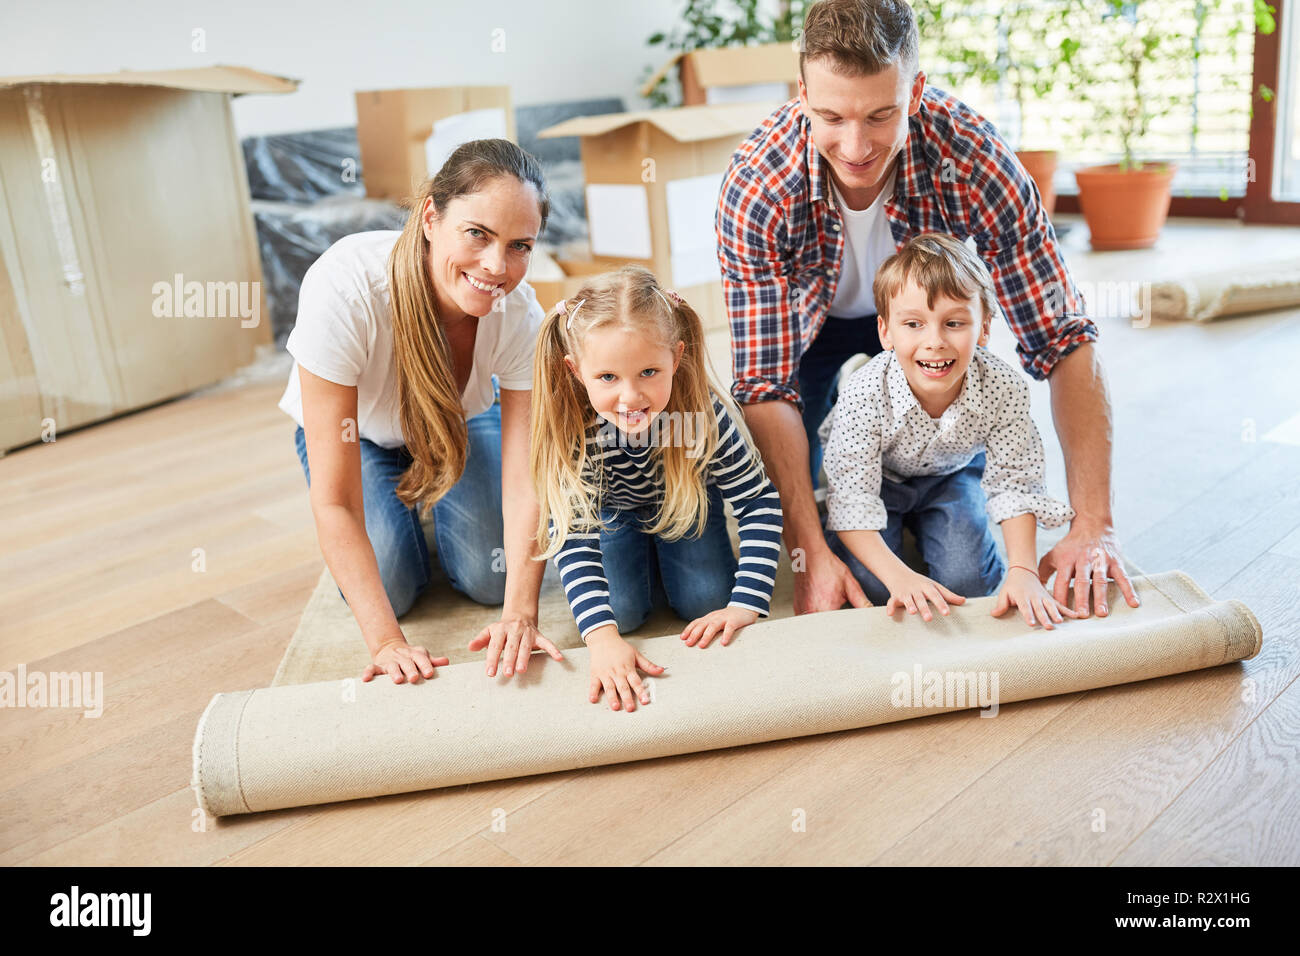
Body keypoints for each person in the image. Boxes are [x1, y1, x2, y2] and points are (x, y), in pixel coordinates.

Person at [716, 0, 1140, 619]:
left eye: (881, 114)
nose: (856, 147)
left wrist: (1093, 524)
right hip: (807, 331)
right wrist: (809, 550)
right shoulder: (758, 184)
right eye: (831, 116)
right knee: (829, 508)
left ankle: (943, 486)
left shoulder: (972, 158)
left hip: (924, 325)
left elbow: (1063, 334)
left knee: (967, 564)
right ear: (801, 91)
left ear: (915, 91)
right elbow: (764, 381)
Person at [277, 139, 563, 686]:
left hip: (459, 422)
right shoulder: (347, 286)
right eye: (477, 234)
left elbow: (529, 478)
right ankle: (410, 503)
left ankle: (433, 495)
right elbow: (334, 502)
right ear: (431, 215)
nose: (496, 266)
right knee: (393, 587)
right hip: (358, 433)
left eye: (520, 245)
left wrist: (519, 614)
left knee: (489, 575)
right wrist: (385, 641)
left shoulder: (521, 315)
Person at [530, 266, 783, 713]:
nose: (631, 398)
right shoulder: (574, 429)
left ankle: (661, 557)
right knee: (621, 613)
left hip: (682, 505)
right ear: (576, 370)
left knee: (707, 600)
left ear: (676, 357)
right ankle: (638, 559)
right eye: (607, 378)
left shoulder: (702, 418)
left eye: (649, 371)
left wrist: (748, 605)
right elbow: (572, 535)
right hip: (611, 515)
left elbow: (757, 501)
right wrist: (601, 638)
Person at [821, 233, 1080, 630]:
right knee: (876, 587)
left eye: (954, 323)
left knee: (969, 583)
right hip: (879, 481)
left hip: (952, 473)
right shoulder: (864, 392)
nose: (935, 342)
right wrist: (899, 578)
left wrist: (1024, 569)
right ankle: (901, 536)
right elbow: (853, 501)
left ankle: (934, 527)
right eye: (913, 324)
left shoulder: (1004, 387)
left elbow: (1016, 482)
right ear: (886, 332)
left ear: (984, 328)